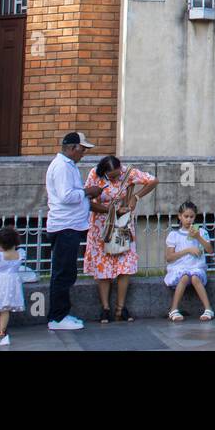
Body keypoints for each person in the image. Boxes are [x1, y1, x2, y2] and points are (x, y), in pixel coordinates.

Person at [84, 155, 157, 323]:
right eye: (112, 176)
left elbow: (153, 180)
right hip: (101, 226)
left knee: (124, 264)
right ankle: (105, 308)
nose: (116, 178)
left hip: (122, 224)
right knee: (103, 266)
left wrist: (136, 197)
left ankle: (120, 307)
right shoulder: (94, 175)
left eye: (117, 174)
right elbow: (86, 201)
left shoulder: (128, 172)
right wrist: (107, 209)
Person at [44, 131, 101, 332]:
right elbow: (66, 196)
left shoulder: (68, 166)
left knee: (66, 272)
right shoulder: (61, 167)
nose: (83, 153)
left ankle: (61, 314)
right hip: (65, 226)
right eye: (81, 149)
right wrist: (89, 192)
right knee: (62, 273)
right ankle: (57, 318)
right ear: (70, 148)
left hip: (71, 225)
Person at [165, 201, 214, 322]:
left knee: (195, 277)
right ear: (179, 216)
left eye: (191, 217)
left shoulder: (202, 232)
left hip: (196, 267)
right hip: (179, 268)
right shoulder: (174, 235)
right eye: (186, 216)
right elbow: (169, 257)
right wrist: (188, 250)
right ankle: (173, 309)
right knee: (185, 276)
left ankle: (208, 309)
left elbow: (210, 250)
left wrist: (198, 237)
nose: (189, 220)